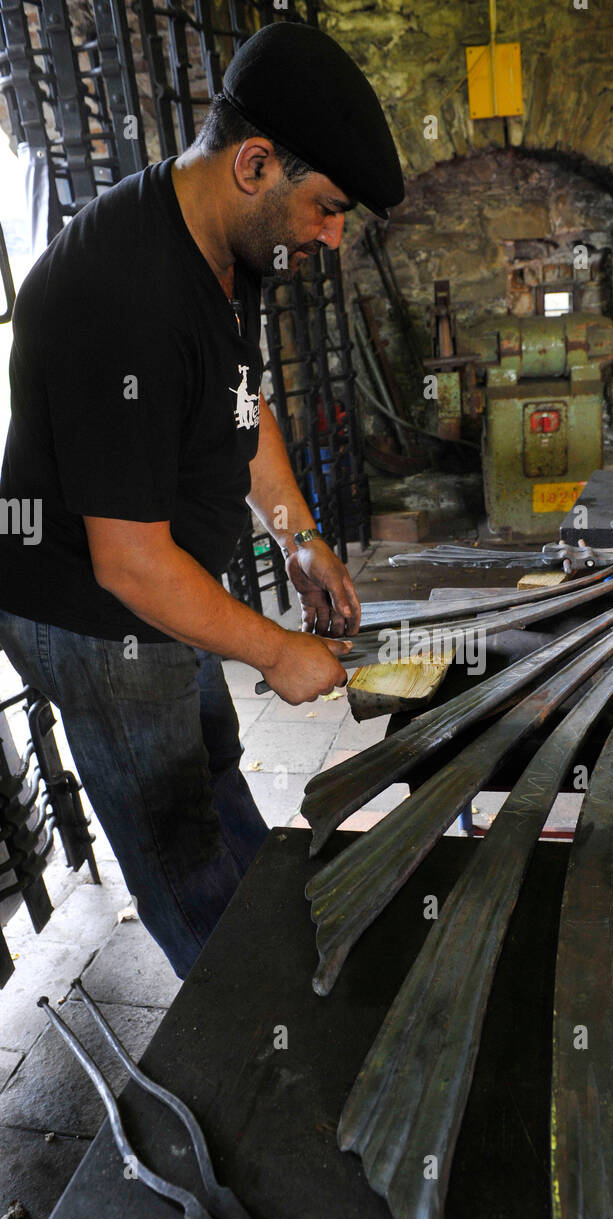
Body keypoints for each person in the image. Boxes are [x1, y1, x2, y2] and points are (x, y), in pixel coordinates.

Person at [0, 23, 405, 976]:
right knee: (174, 837)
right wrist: (275, 649)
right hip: (95, 613)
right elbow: (129, 563)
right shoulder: (124, 297)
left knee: (209, 760)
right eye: (328, 207)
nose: (334, 234)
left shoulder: (226, 245)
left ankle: (272, 955)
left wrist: (299, 538)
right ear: (256, 163)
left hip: (160, 586)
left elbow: (241, 400)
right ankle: (242, 1036)